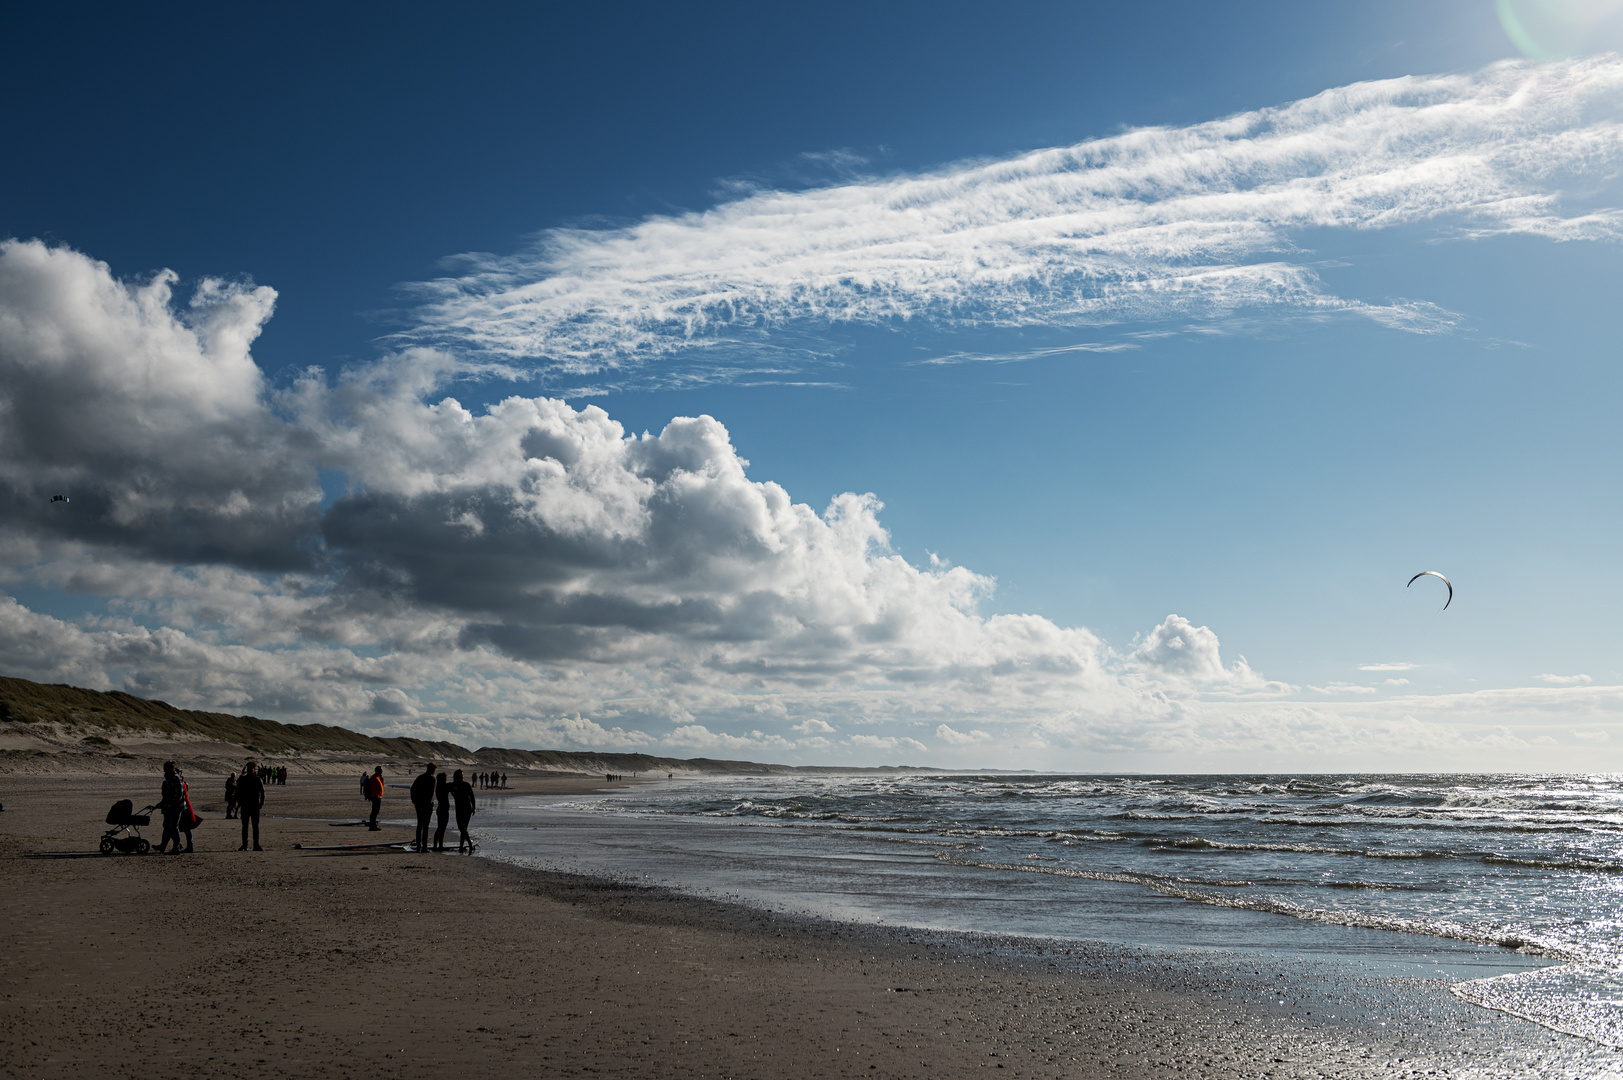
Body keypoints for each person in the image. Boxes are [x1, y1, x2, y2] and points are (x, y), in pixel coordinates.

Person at [237, 758, 266, 851]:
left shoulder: (257, 779)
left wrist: (261, 803)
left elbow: (262, 792)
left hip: (254, 805)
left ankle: (256, 845)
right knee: (245, 826)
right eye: (249, 768)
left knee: (255, 826)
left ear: (254, 769)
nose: (250, 770)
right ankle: (244, 844)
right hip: (245, 805)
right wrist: (237, 803)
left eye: (252, 768)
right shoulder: (242, 779)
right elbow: (238, 792)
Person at [156, 760, 184, 855]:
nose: (164, 770)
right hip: (168, 807)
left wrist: (169, 802)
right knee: (167, 826)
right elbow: (166, 795)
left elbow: (178, 794)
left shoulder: (176, 778)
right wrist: (162, 803)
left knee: (173, 826)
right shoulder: (168, 779)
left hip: (175, 807)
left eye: (165, 768)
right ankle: (163, 846)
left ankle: (176, 847)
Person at [409, 762, 437, 852]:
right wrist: (430, 803)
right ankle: (424, 847)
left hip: (418, 804)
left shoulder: (420, 777)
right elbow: (431, 793)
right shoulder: (432, 779)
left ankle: (418, 846)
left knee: (419, 825)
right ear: (432, 769)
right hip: (426, 805)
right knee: (425, 826)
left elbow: (412, 788)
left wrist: (413, 799)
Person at [450, 768, 476, 853]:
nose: (462, 777)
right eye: (461, 775)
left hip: (467, 808)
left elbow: (472, 797)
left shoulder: (465, 784)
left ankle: (465, 844)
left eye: (463, 775)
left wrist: (474, 807)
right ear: (457, 776)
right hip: (460, 808)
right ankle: (464, 844)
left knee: (463, 828)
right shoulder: (453, 785)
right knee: (462, 828)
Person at [433, 769, 451, 851]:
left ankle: (437, 845)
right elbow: (450, 786)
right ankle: (438, 845)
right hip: (442, 809)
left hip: (441, 809)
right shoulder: (442, 786)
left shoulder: (439, 786)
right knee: (441, 828)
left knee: (441, 828)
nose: (446, 780)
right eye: (445, 779)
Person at [365, 766, 385, 830]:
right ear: (378, 770)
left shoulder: (378, 777)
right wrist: (373, 796)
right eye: (381, 770)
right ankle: (372, 825)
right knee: (374, 811)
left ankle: (373, 824)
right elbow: (373, 788)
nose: (382, 771)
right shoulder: (374, 778)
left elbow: (381, 785)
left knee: (376, 811)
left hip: (378, 796)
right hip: (375, 796)